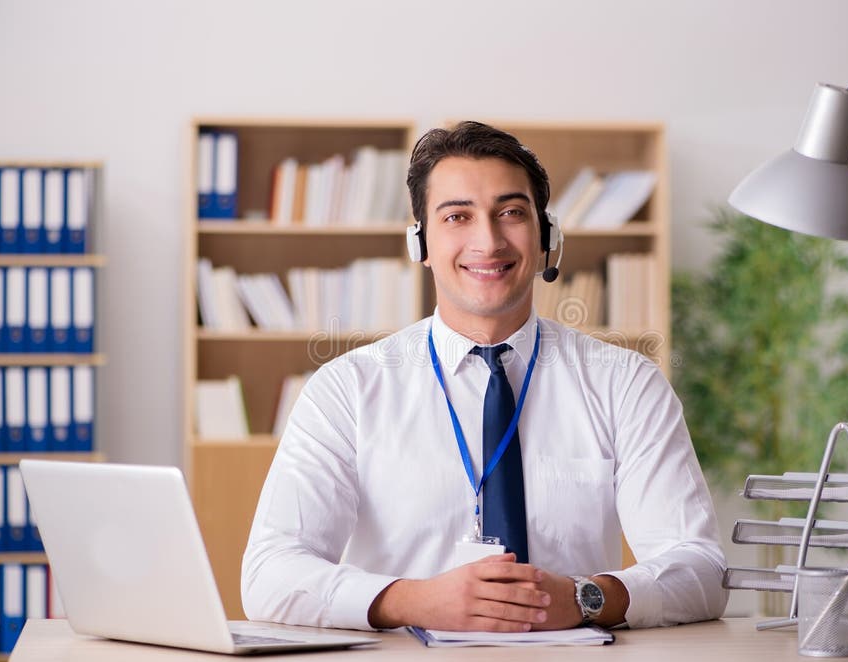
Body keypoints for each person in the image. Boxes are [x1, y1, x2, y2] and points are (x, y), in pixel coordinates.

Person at [241, 121, 728, 633]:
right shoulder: (346, 391)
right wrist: (412, 601)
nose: (488, 240)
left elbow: (701, 568)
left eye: (512, 213)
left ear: (547, 236)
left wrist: (586, 596)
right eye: (457, 216)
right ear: (420, 244)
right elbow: (269, 573)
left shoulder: (625, 384)